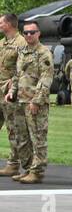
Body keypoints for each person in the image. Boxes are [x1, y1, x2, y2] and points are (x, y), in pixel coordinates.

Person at [4, 20, 53, 184]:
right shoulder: (23, 51)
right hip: (20, 101)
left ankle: (37, 171)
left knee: (37, 137)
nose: (29, 35)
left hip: (34, 102)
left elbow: (45, 79)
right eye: (26, 33)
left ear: (38, 33)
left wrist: (37, 101)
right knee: (21, 137)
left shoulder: (44, 53)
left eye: (32, 32)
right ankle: (27, 169)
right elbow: (17, 76)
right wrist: (12, 92)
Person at [0, 13, 24, 175]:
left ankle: (13, 164)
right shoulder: (2, 43)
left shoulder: (21, 43)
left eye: (1, 22)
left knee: (12, 128)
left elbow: (23, 68)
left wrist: (13, 84)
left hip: (10, 92)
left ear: (9, 24)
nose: (0, 25)